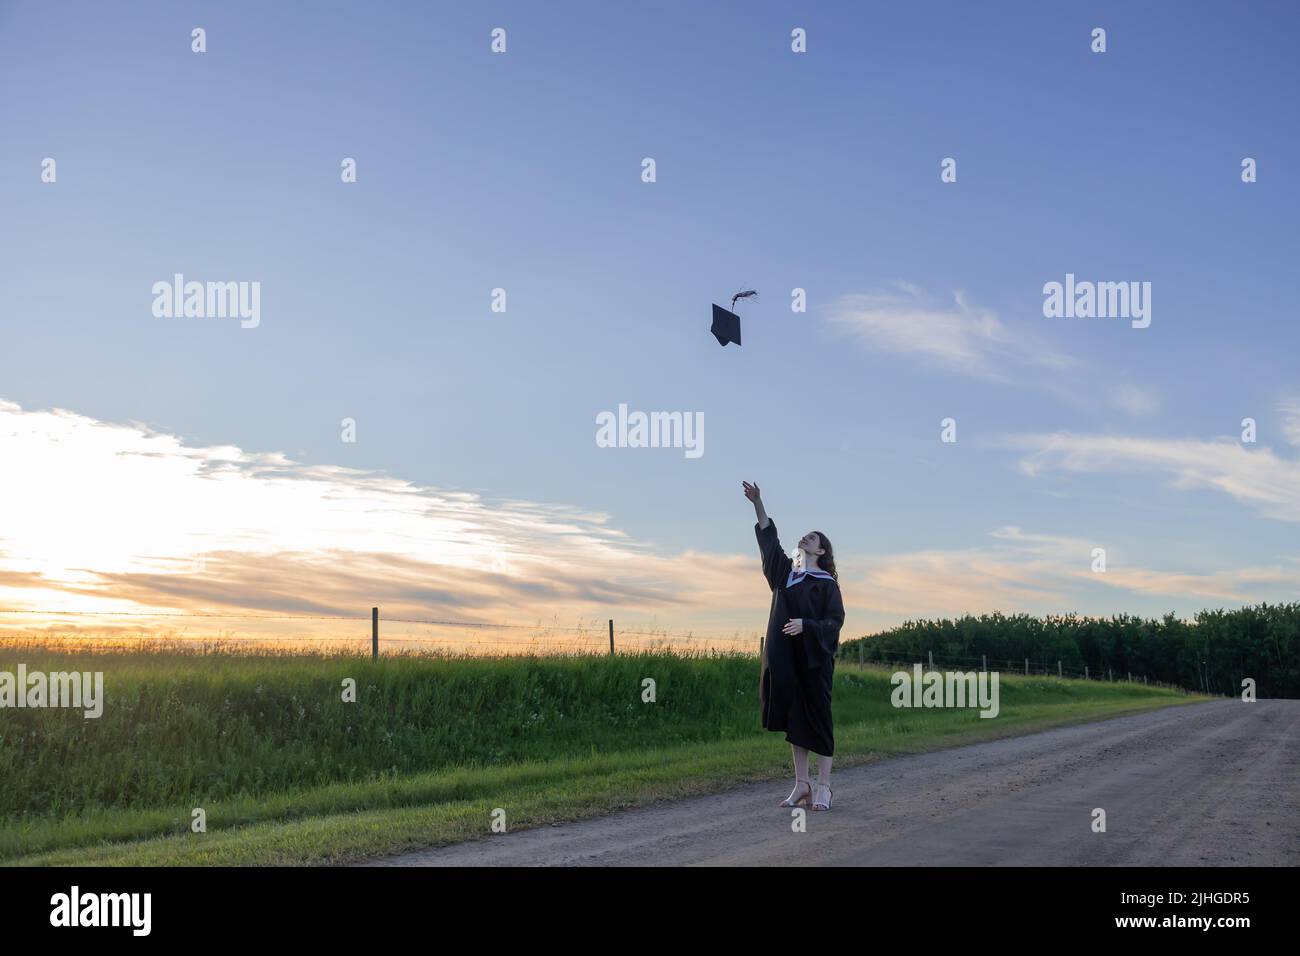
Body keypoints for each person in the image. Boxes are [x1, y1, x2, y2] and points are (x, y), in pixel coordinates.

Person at [742, 480, 845, 811]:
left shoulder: (827, 585)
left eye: (812, 538)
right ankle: (802, 784)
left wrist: (807, 626)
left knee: (819, 718)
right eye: (805, 536)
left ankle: (824, 787)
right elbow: (769, 543)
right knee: (795, 719)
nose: (805, 538)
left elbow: (835, 621)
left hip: (814, 661)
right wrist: (758, 503)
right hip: (788, 658)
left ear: (821, 551)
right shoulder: (786, 574)